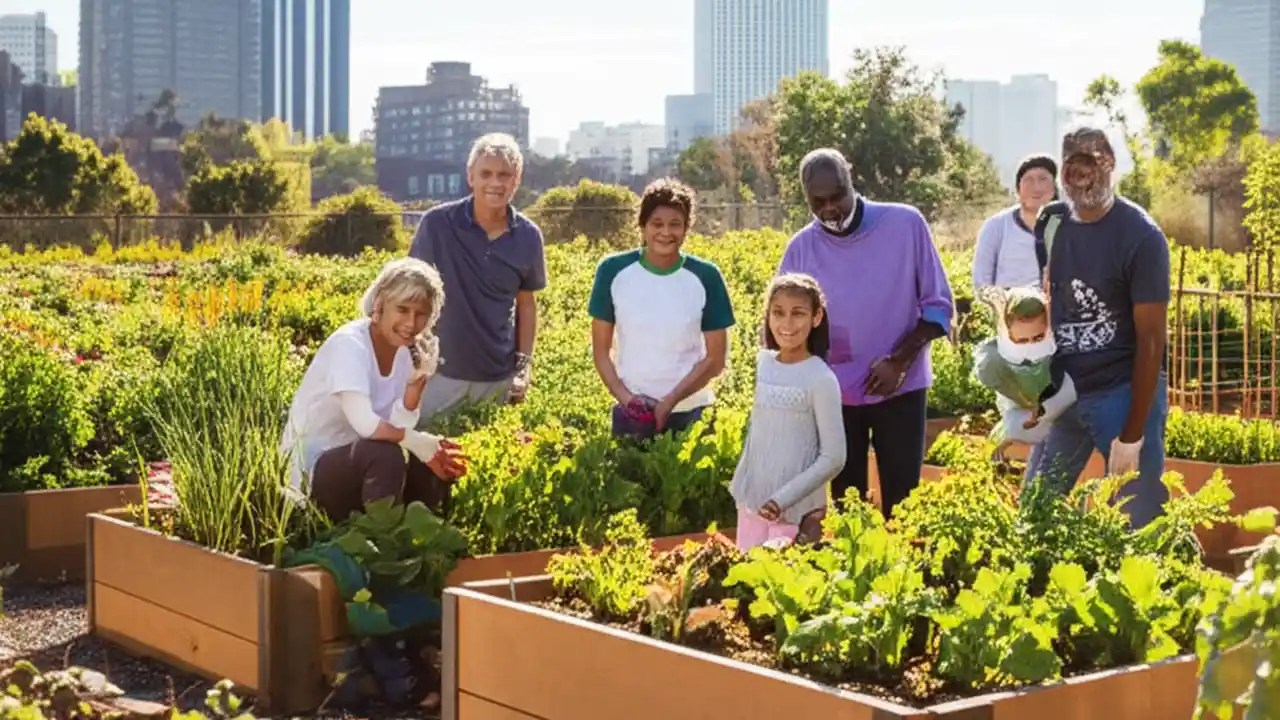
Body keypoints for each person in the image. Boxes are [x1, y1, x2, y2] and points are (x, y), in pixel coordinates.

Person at [777, 148, 954, 519]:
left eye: (836, 196)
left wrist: (899, 361)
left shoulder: (905, 224)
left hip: (900, 390)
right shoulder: (801, 249)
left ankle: (903, 575)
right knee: (848, 507)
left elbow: (938, 308)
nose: (830, 210)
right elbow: (782, 327)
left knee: (904, 505)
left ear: (851, 180)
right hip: (834, 399)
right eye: (818, 202)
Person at [1024, 126, 1171, 529]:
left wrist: (1133, 435)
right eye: (1073, 165)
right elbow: (1051, 298)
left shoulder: (1141, 237)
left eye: (1093, 162)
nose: (1083, 175)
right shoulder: (1053, 224)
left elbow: (1152, 340)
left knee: (1137, 526)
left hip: (1121, 396)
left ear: (1111, 165)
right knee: (1034, 514)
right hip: (1068, 396)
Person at [280, 258, 468, 522]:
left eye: (421, 313)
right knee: (386, 453)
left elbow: (397, 424)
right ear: (380, 304)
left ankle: (420, 533)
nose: (412, 323)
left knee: (436, 454)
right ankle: (380, 544)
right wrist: (416, 441)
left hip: (358, 463)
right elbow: (367, 424)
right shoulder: (350, 345)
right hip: (313, 472)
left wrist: (418, 381)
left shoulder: (404, 350)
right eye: (402, 309)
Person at [407, 133, 547, 424]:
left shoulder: (529, 236)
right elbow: (409, 292)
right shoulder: (436, 224)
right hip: (439, 375)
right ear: (470, 177)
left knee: (487, 463)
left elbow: (526, 305)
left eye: (504, 175)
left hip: (498, 380)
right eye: (486, 173)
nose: (495, 183)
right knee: (425, 461)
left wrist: (523, 368)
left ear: (516, 180)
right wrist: (413, 358)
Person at [588, 178, 735, 440]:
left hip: (691, 412)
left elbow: (715, 359)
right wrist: (628, 400)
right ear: (642, 226)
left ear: (686, 228)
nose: (665, 232)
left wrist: (670, 401)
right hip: (632, 413)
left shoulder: (706, 276)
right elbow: (601, 352)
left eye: (675, 224)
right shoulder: (612, 272)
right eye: (657, 224)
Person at [730, 273, 845, 551]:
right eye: (778, 313)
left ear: (816, 318)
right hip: (753, 505)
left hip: (796, 512)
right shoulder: (762, 365)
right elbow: (759, 435)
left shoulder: (821, 378)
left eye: (798, 314)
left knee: (785, 587)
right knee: (746, 584)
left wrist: (782, 499)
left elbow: (834, 457)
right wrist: (743, 487)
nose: (787, 324)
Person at [972, 285, 1077, 451]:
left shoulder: (1068, 346)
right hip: (1022, 415)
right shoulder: (992, 360)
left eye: (1038, 338)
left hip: (1068, 414)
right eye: (1021, 341)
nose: (1029, 347)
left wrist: (1047, 409)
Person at [971, 155, 1059, 294]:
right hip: (1010, 310)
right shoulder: (996, 226)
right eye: (1028, 180)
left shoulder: (1068, 226)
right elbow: (981, 282)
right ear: (1018, 189)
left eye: (1043, 179)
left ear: (1054, 188)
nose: (1036, 188)